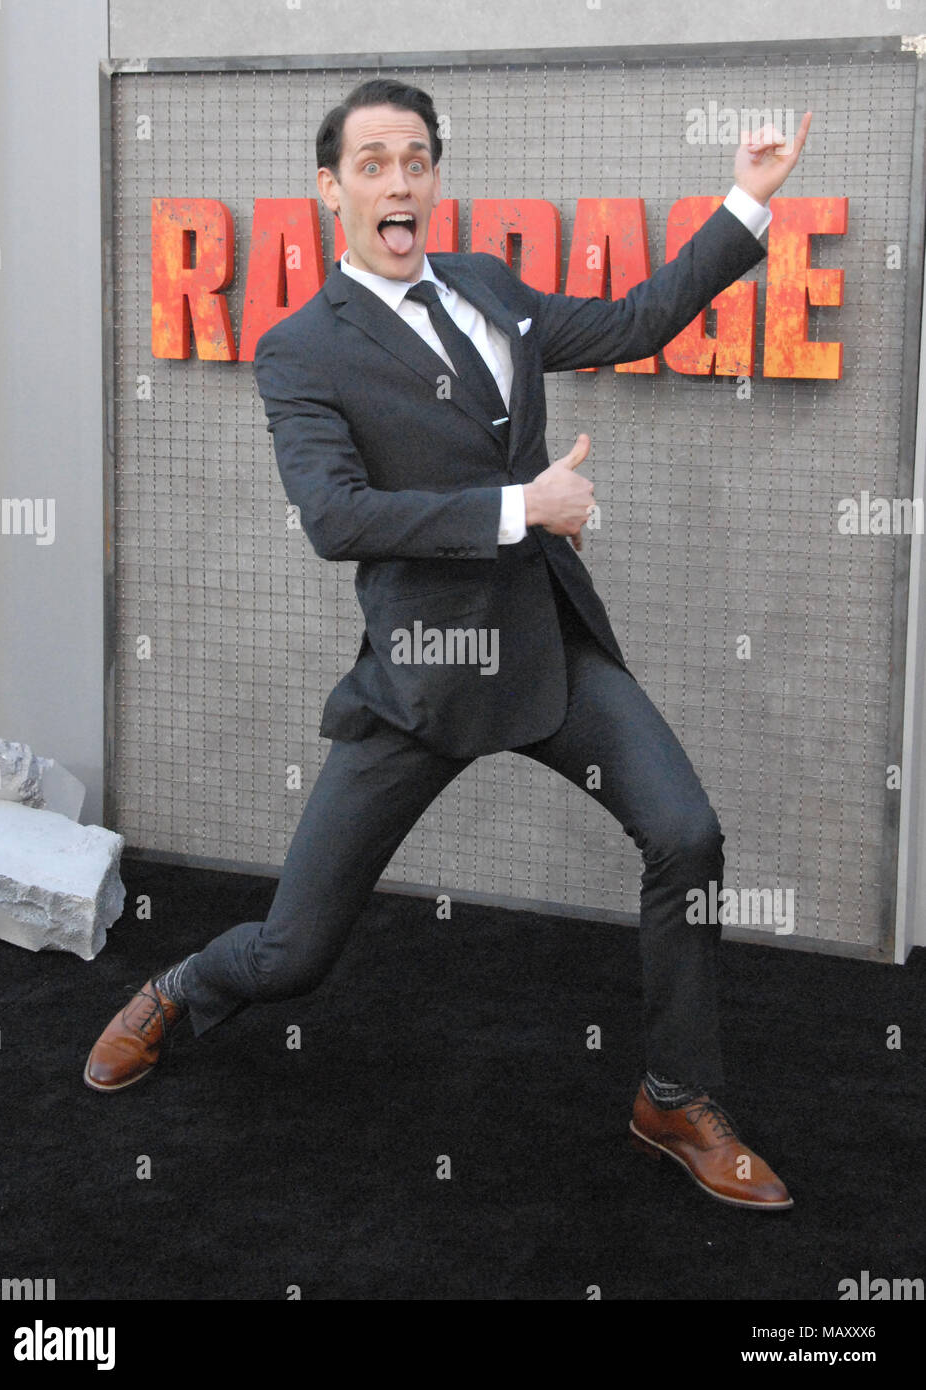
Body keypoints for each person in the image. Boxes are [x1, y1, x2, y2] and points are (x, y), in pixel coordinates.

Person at [86, 78, 811, 1211]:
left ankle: (671, 1094)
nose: (398, 180)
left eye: (414, 159)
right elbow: (336, 519)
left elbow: (630, 322)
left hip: (546, 647)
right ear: (330, 188)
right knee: (293, 955)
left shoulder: (485, 286)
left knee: (685, 834)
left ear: (435, 177)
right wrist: (523, 504)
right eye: (371, 162)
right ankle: (182, 985)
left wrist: (745, 203)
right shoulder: (298, 351)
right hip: (421, 675)